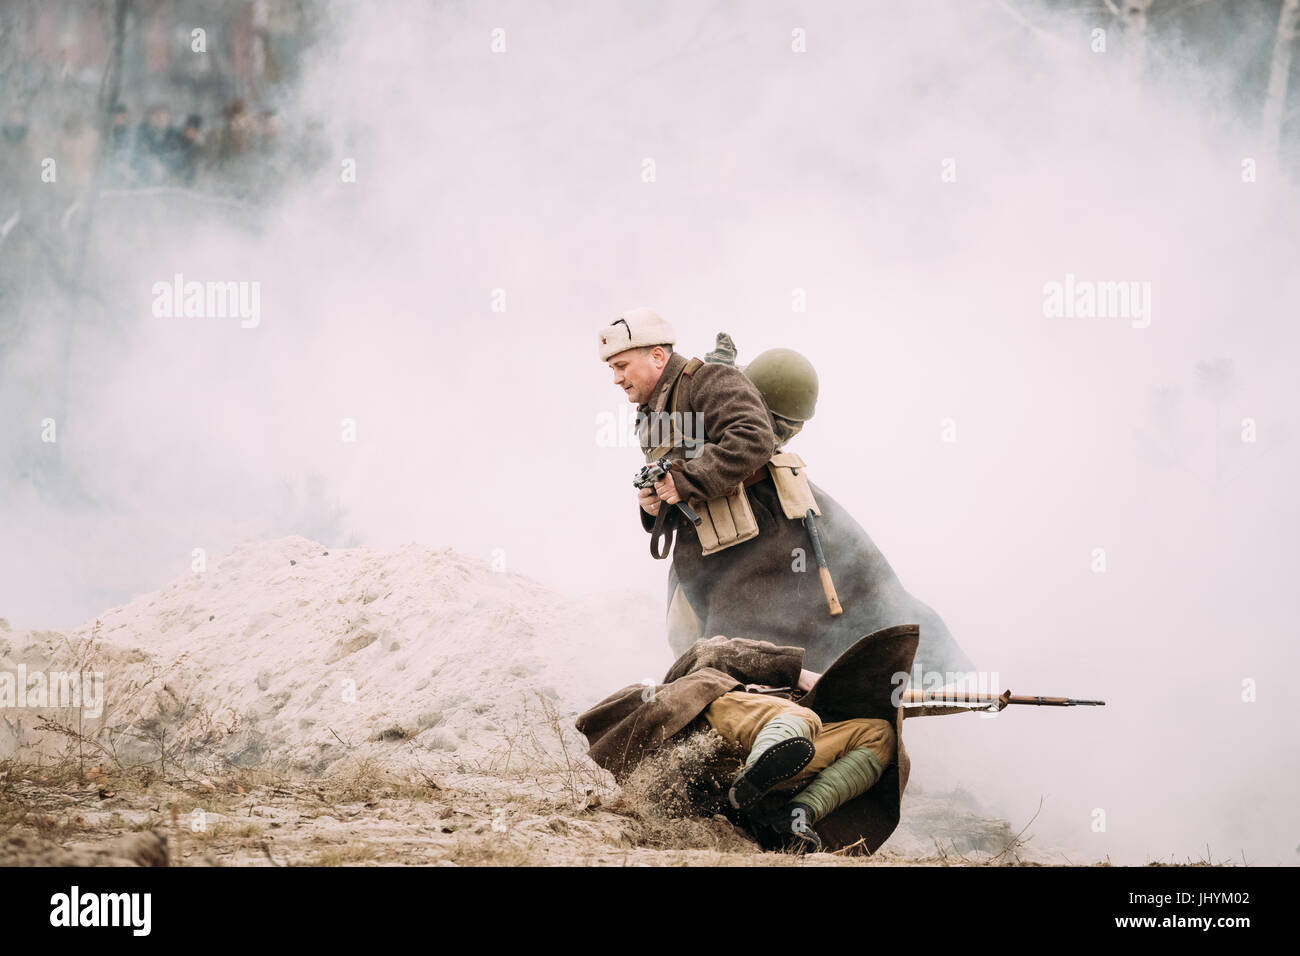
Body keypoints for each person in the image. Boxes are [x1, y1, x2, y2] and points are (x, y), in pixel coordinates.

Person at [605, 316, 973, 678]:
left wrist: (686, 480)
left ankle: (952, 676)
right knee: (688, 640)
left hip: (762, 531)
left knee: (866, 596)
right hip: (704, 544)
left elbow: (753, 438)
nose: (617, 378)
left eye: (622, 365)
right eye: (612, 368)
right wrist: (653, 505)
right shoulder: (652, 412)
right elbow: (673, 473)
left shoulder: (708, 380)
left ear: (657, 356)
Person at [575, 624, 920, 853]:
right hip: (705, 734)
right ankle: (754, 776)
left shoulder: (802, 715)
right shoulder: (708, 677)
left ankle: (795, 817)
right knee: (802, 717)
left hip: (779, 759)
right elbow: (706, 653)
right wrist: (796, 673)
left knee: (881, 734)